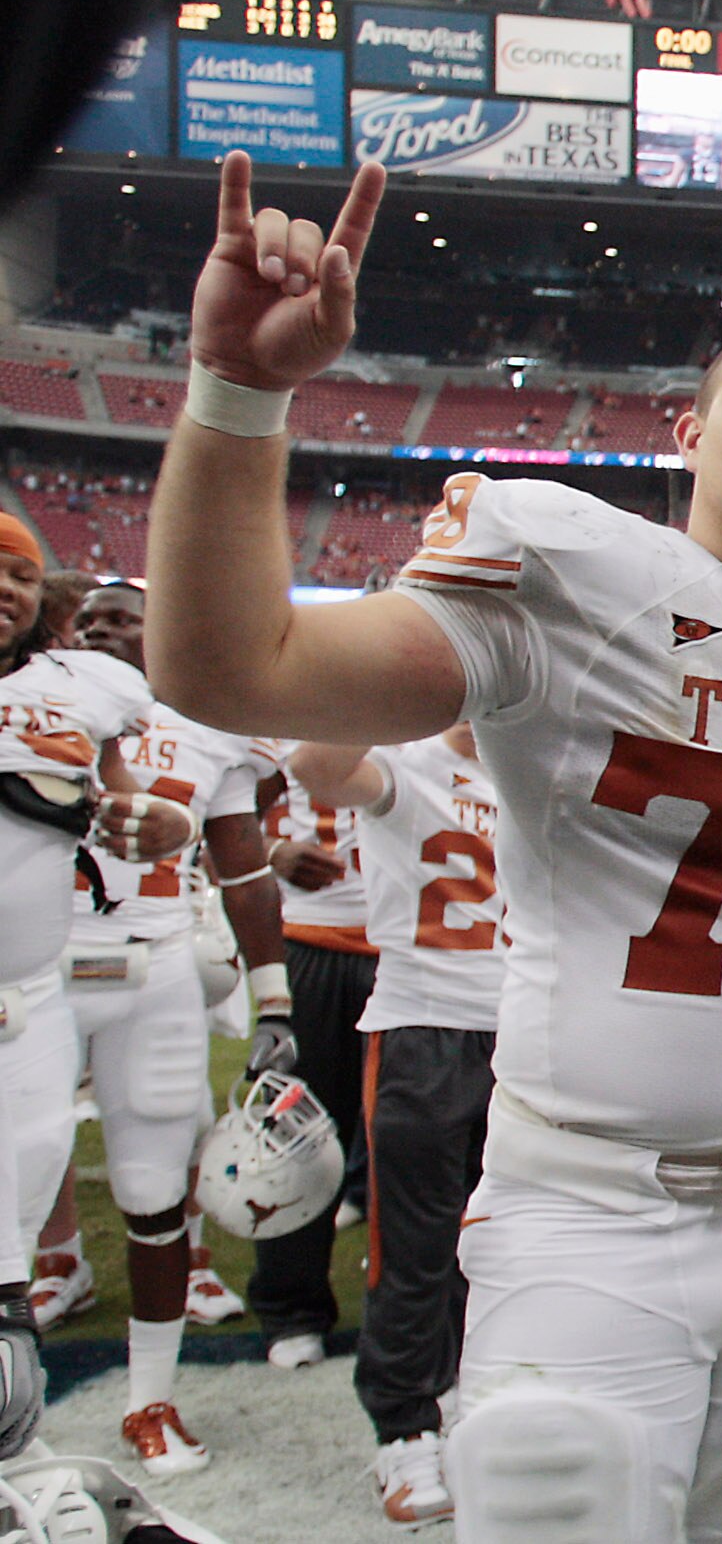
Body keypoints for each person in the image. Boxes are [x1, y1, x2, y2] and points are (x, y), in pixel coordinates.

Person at [140, 153, 722, 1542]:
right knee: (568, 1496)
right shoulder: (570, 585)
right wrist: (240, 392)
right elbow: (227, 666)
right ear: (690, 431)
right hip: (596, 1205)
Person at [56, 581, 289, 1476]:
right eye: (90, 619)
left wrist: (274, 998)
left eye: (122, 617)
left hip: (152, 971)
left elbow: (244, 868)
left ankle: (150, 1399)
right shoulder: (29, 708)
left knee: (154, 1192)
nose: (101, 628)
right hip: (34, 971)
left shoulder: (208, 726)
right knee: (15, 1176)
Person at [283, 723, 505, 1526]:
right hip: (427, 1025)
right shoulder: (408, 763)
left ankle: (476, 1400)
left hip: (529, 1034)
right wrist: (397, 689)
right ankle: (404, 1427)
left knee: (506, 1243)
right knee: (415, 1244)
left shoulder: (537, 760)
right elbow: (315, 765)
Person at [0, 514, 159, 1463]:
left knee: (15, 1232)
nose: (6, 588)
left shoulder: (85, 686)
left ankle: (17, 1461)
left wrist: (158, 823)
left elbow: (122, 799)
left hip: (31, 998)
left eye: (20, 576)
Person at [243, 743, 377, 1369]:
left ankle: (420, 1309)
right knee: (297, 1135)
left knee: (423, 1143)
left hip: (419, 952)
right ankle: (291, 1307)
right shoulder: (284, 719)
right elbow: (219, 818)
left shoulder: (437, 713)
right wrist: (273, 851)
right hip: (311, 941)